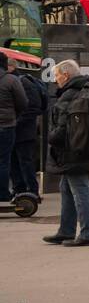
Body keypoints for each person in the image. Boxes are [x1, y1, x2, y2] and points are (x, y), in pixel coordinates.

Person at [43, 60, 89, 246]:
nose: (56, 79)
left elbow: (63, 125)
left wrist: (51, 137)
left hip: (71, 150)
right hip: (79, 148)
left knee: (80, 191)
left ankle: (88, 233)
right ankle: (66, 230)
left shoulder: (70, 94)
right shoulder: (85, 89)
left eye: (57, 75)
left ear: (66, 75)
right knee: (67, 189)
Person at [8, 63, 46, 197]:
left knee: (25, 162)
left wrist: (15, 122)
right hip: (15, 130)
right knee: (14, 162)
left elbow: (34, 107)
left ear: (10, 66)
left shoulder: (24, 82)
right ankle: (19, 189)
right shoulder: (14, 82)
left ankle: (31, 191)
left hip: (24, 132)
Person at [0, 51, 28, 203]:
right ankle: (2, 193)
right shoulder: (11, 80)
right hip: (6, 126)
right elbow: (23, 103)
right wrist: (14, 115)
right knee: (4, 161)